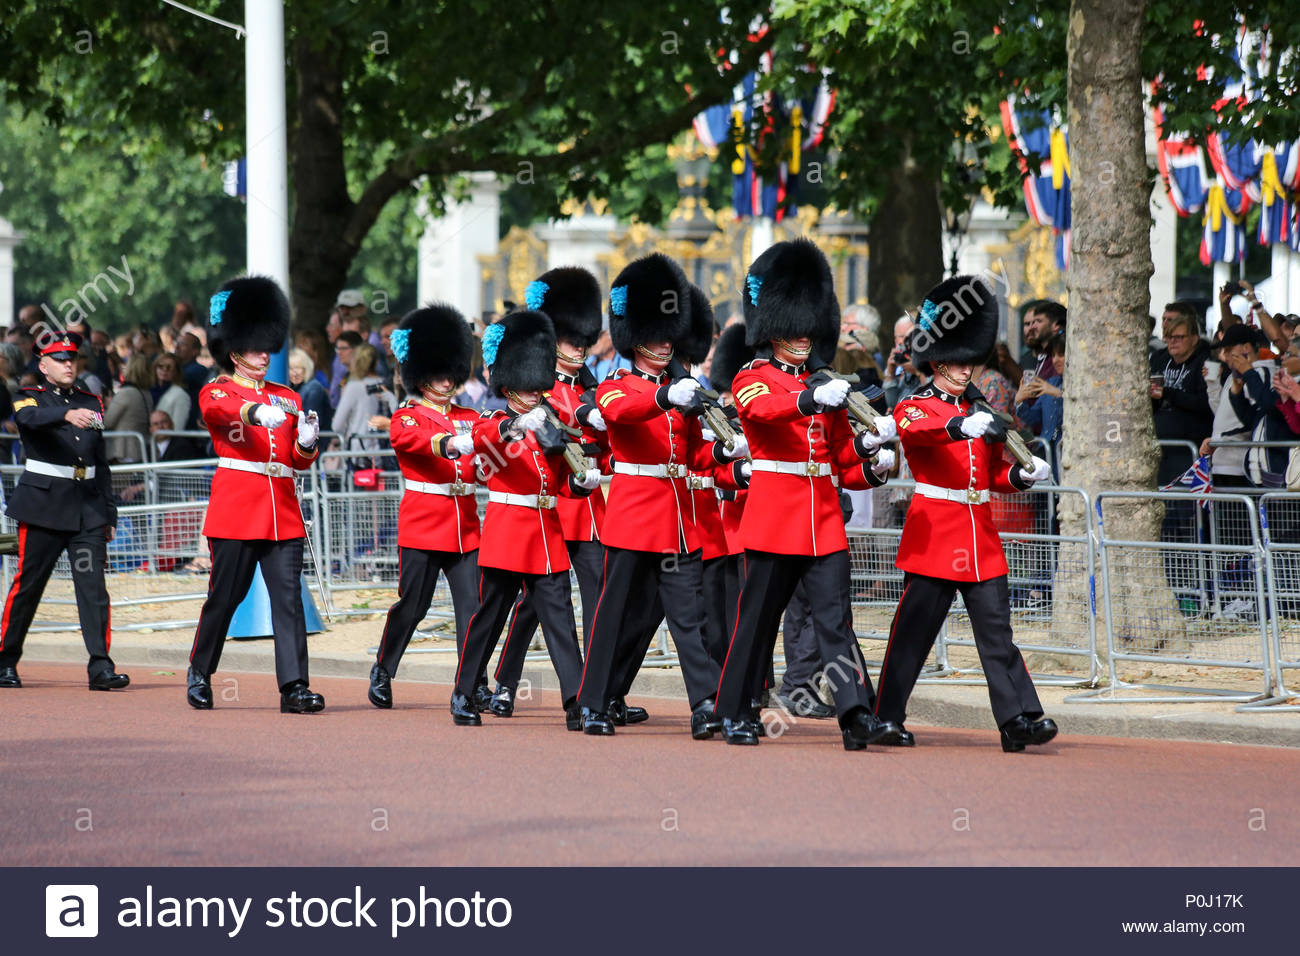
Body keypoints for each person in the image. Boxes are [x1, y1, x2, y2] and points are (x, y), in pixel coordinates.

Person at [712, 239, 898, 748]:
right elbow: (766, 411)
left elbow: (840, 459)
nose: (800, 337)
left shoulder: (825, 383)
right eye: (790, 329)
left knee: (837, 622)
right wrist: (811, 396)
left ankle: (856, 712)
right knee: (757, 622)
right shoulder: (753, 377)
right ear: (771, 330)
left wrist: (873, 460)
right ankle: (738, 708)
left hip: (821, 521)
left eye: (806, 328)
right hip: (774, 516)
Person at [874, 275, 1057, 752]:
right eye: (953, 361)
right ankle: (885, 716)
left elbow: (992, 473)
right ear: (934, 360)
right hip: (936, 534)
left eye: (967, 360)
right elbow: (918, 431)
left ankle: (1018, 717)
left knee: (998, 634)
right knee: (912, 636)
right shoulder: (917, 404)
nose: (962, 369)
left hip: (979, 534)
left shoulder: (979, 407)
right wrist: (961, 424)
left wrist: (1021, 476)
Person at [573, 254, 746, 736]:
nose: (665, 342)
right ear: (635, 338)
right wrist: (666, 397)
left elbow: (696, 458)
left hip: (675, 521)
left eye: (669, 333)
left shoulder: (683, 392)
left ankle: (705, 704)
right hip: (633, 515)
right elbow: (623, 413)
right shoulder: (616, 385)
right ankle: (593, 703)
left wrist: (737, 464)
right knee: (613, 616)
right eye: (656, 334)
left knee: (688, 618)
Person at [449, 310, 601, 728]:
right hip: (508, 533)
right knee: (488, 619)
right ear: (511, 382)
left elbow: (564, 482)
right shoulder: (496, 418)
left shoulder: (552, 421)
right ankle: (464, 692)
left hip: (547, 535)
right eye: (529, 385)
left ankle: (577, 702)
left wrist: (584, 482)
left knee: (560, 622)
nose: (536, 392)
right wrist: (517, 425)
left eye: (539, 386)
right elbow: (484, 447)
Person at [186, 275, 325, 714]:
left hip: (281, 510)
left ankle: (294, 687)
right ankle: (199, 671)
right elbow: (218, 410)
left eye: (267, 347)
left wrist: (305, 442)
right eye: (255, 347)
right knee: (225, 596)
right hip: (238, 509)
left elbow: (295, 462)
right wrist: (253, 410)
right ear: (234, 350)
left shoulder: (288, 397)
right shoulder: (219, 389)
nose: (264, 354)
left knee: (288, 601)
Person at [485, 267, 612, 718]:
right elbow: (562, 423)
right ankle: (505, 682)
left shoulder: (590, 383)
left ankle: (597, 694)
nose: (579, 349)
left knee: (598, 601)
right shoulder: (544, 387)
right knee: (533, 607)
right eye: (571, 341)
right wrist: (591, 425)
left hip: (589, 505)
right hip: (554, 508)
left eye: (583, 342)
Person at [368, 305, 483, 709]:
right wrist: (451, 444)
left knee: (473, 608)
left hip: (465, 525)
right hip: (423, 523)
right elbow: (414, 442)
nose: (446, 380)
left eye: (451, 372)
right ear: (421, 375)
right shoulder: (407, 415)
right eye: (438, 373)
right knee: (412, 606)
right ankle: (384, 667)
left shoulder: (471, 415)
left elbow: (486, 465)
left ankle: (473, 682)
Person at [0, 330, 127, 691]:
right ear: (43, 365)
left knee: (93, 588)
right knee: (29, 586)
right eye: (60, 359)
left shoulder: (91, 399)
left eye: (72, 358)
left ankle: (100, 666)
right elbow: (27, 422)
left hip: (87, 509)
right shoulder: (29, 397)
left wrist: (109, 512)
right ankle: (5, 660)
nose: (69, 364)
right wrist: (66, 414)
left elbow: (100, 463)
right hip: (43, 508)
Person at [333, 342, 394, 450]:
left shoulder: (353, 387)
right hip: (385, 449)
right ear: (376, 362)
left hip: (360, 450)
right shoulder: (386, 384)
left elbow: (337, 425)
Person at [103, 353, 153, 464]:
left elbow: (106, 422)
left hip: (123, 452)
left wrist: (90, 416)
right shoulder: (147, 393)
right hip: (140, 450)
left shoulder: (126, 393)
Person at [288, 346, 333, 432]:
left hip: (316, 440)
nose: (294, 373)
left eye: (298, 368)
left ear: (306, 368)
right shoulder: (293, 388)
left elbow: (312, 420)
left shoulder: (314, 389)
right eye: (290, 368)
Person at [883, 314, 925, 407]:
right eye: (899, 337)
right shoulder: (905, 364)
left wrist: (918, 371)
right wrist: (890, 374)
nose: (902, 342)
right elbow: (892, 404)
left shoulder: (929, 362)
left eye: (906, 337)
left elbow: (932, 399)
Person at [150, 352, 192, 438]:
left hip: (168, 444)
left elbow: (178, 428)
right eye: (161, 366)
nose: (164, 370)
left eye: (169, 368)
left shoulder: (180, 395)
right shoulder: (150, 390)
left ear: (176, 372)